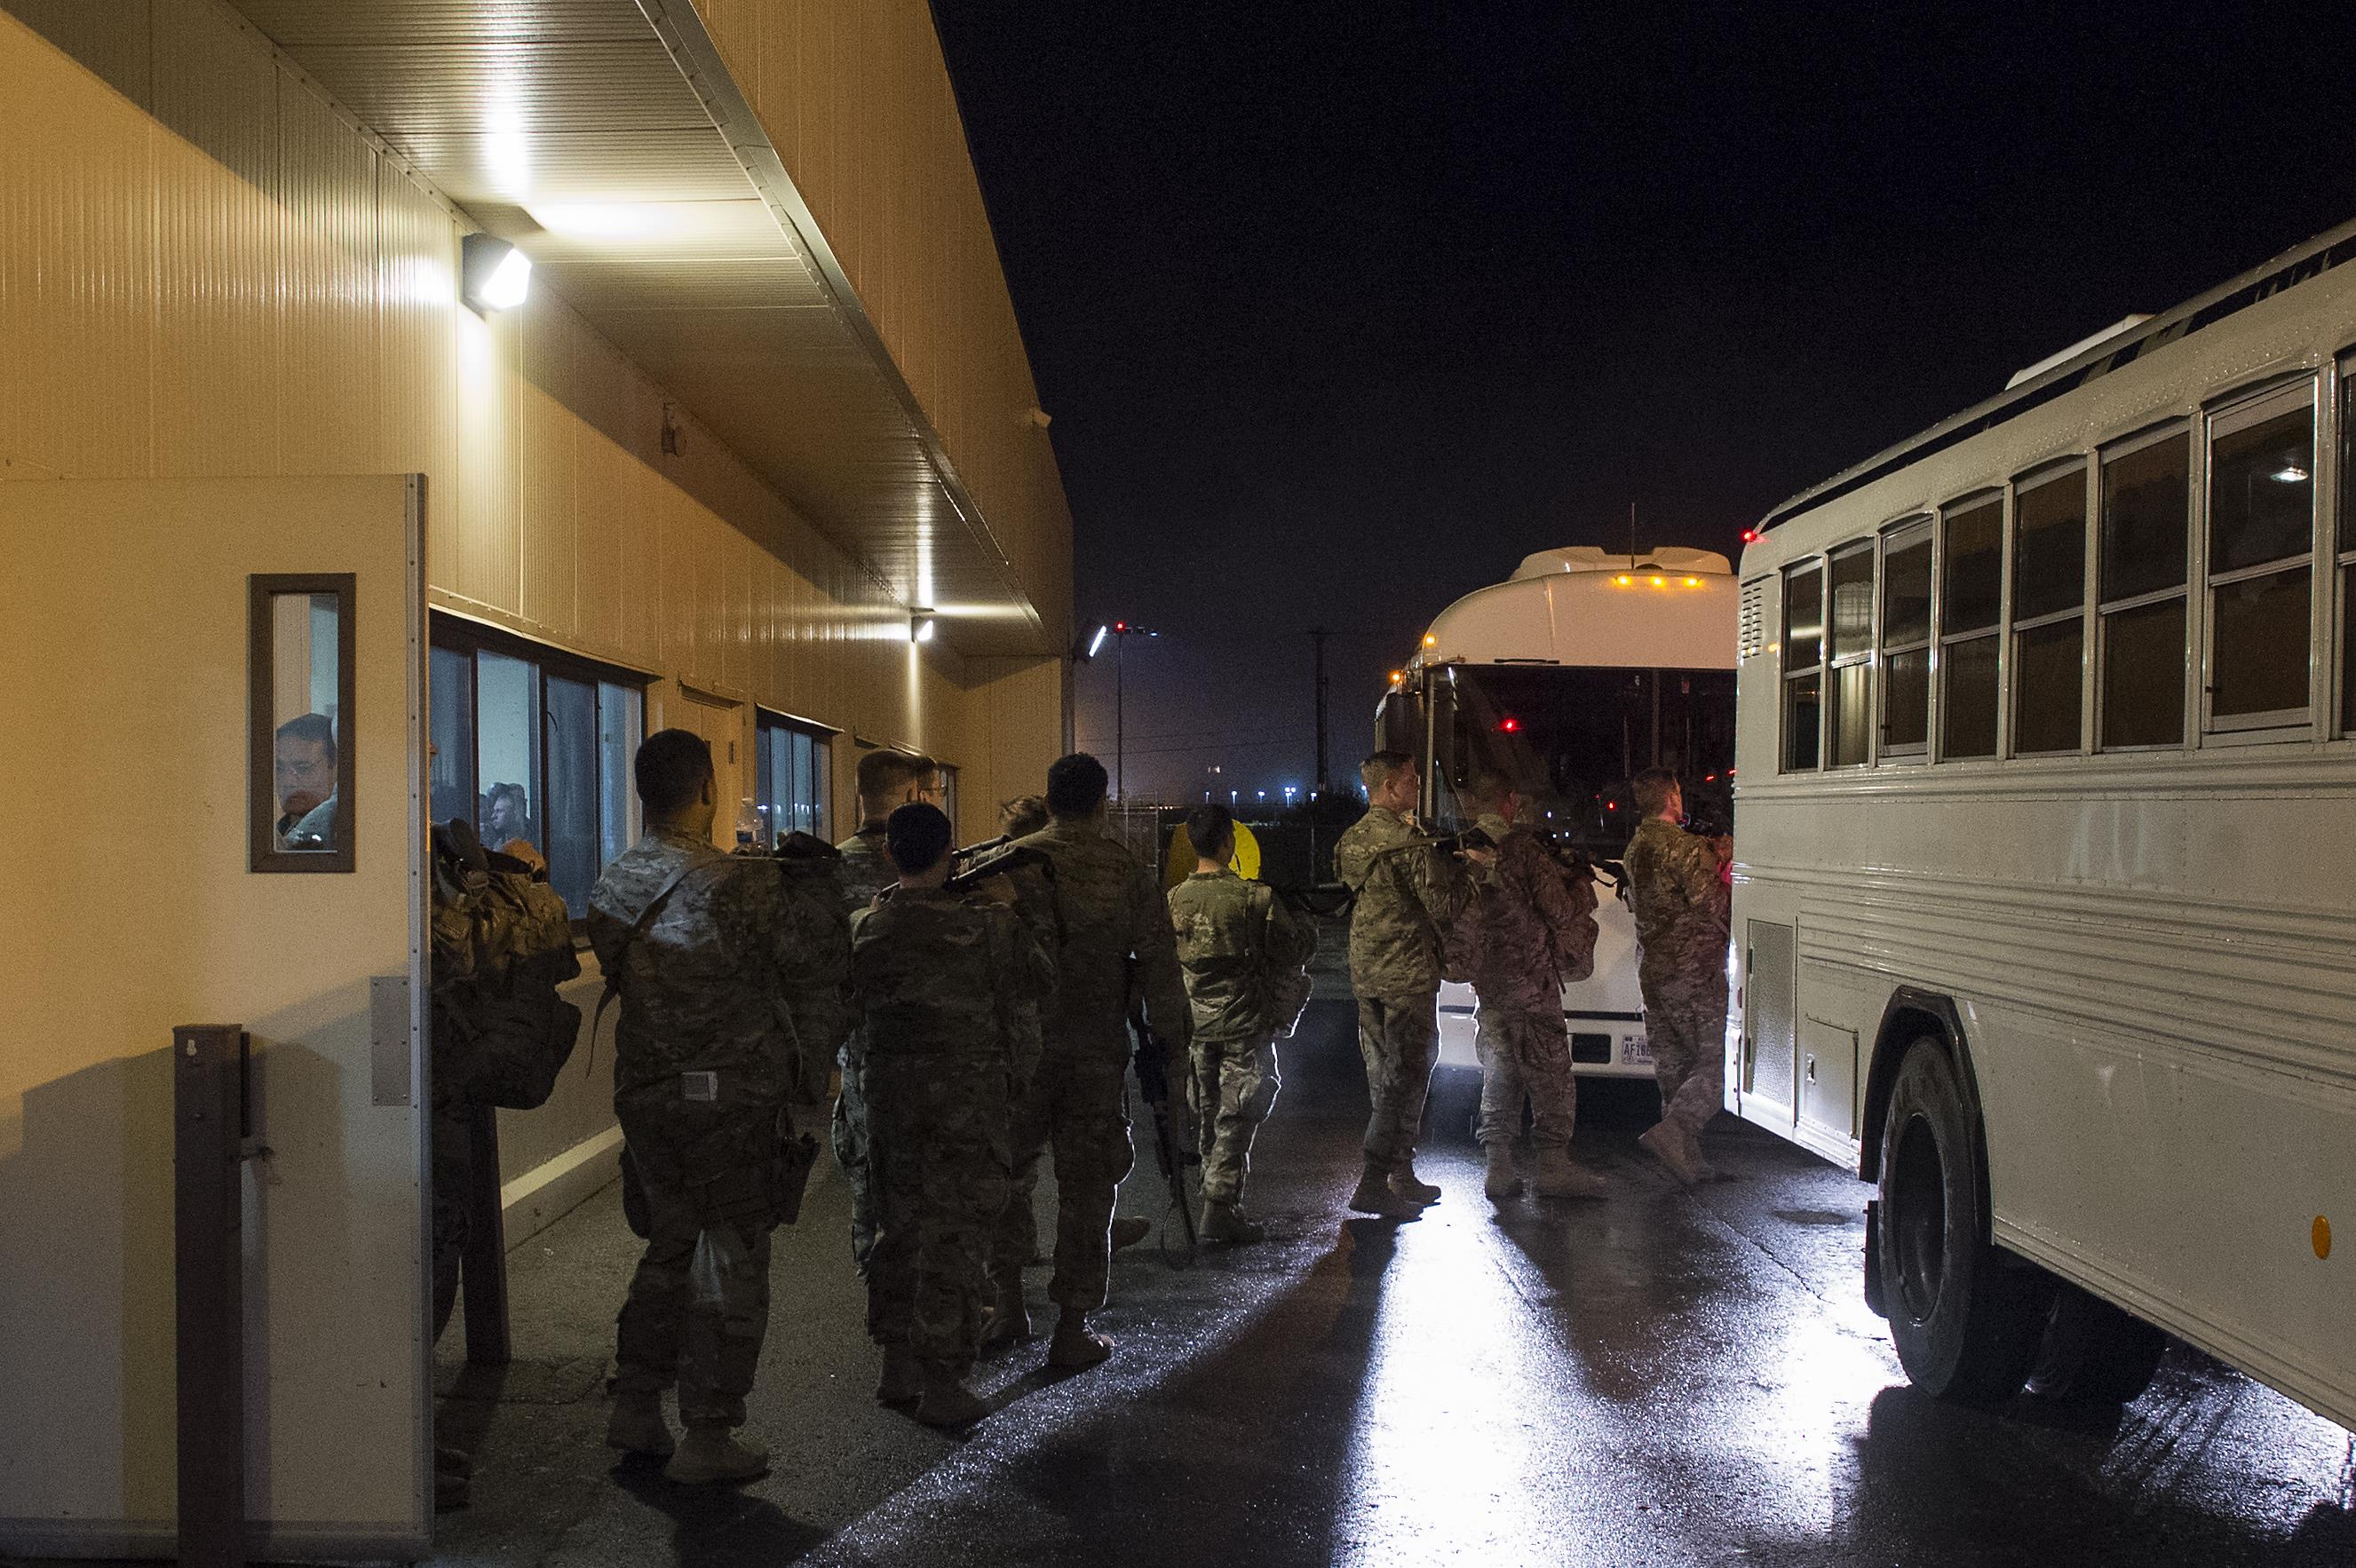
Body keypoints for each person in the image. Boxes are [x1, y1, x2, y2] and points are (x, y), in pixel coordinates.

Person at [588, 730, 809, 1485]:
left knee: (669, 1242)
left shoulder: (613, 882)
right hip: (730, 1098)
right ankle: (708, 1433)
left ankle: (638, 1404)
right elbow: (803, 963)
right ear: (707, 791)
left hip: (648, 1094)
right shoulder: (735, 883)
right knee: (733, 1254)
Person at [849, 803, 1051, 1426]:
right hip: (967, 1103)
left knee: (898, 1226)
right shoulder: (990, 926)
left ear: (890, 855)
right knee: (956, 1239)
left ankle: (896, 1365)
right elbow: (1039, 983)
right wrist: (1015, 905)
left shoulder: (867, 926)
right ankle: (943, 1384)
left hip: (891, 1102)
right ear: (949, 853)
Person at [987, 753, 1190, 1369]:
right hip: (1094, 1051)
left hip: (1020, 1050)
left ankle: (1007, 1304)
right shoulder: (1123, 869)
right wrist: (1173, 1044)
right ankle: (1071, 1326)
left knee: (1008, 1176)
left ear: (1047, 801)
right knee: (1086, 1187)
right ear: (1101, 804)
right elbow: (1158, 961)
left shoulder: (1009, 866)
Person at [1332, 750, 1487, 1218]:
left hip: (1368, 971)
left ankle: (1400, 1173)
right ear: (1389, 787)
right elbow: (1444, 906)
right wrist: (1473, 870)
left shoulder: (1350, 840)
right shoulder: (1407, 843)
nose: (1417, 787)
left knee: (1384, 1073)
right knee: (1405, 1076)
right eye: (1411, 781)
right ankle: (1373, 1180)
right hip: (1406, 974)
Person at [1452, 774, 1606, 1203]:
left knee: (1500, 1069)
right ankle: (1554, 1165)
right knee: (1550, 1070)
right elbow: (1558, 912)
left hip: (1490, 981)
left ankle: (1498, 1168)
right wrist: (1577, 884)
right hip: (1532, 981)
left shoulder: (1461, 850)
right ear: (1510, 801)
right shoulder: (1522, 849)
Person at [1166, 804, 1314, 1243]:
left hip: (1198, 1028)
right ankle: (1219, 1208)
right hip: (1243, 1023)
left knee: (1209, 1113)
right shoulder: (1255, 899)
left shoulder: (1174, 900)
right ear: (1229, 842)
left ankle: (1216, 1199)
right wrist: (1306, 924)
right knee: (1239, 1111)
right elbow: (1292, 952)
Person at [832, 749, 939, 1279]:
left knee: (865, 1153)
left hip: (859, 1043)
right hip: (933, 1044)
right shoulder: (936, 866)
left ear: (859, 795)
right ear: (915, 796)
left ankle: (873, 1262)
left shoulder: (830, 867)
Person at [1622, 765, 1734, 1186]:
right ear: (1672, 797)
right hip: (1694, 970)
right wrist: (1721, 862)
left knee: (1674, 1066)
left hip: (1654, 969)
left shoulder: (1637, 847)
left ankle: (1686, 1158)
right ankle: (1676, 1132)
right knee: (1715, 1063)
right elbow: (1714, 906)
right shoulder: (1687, 849)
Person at [273, 712, 339, 850]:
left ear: (335, 768)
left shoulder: (348, 838)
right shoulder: (272, 838)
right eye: (279, 768)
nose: (288, 781)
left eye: (303, 768)